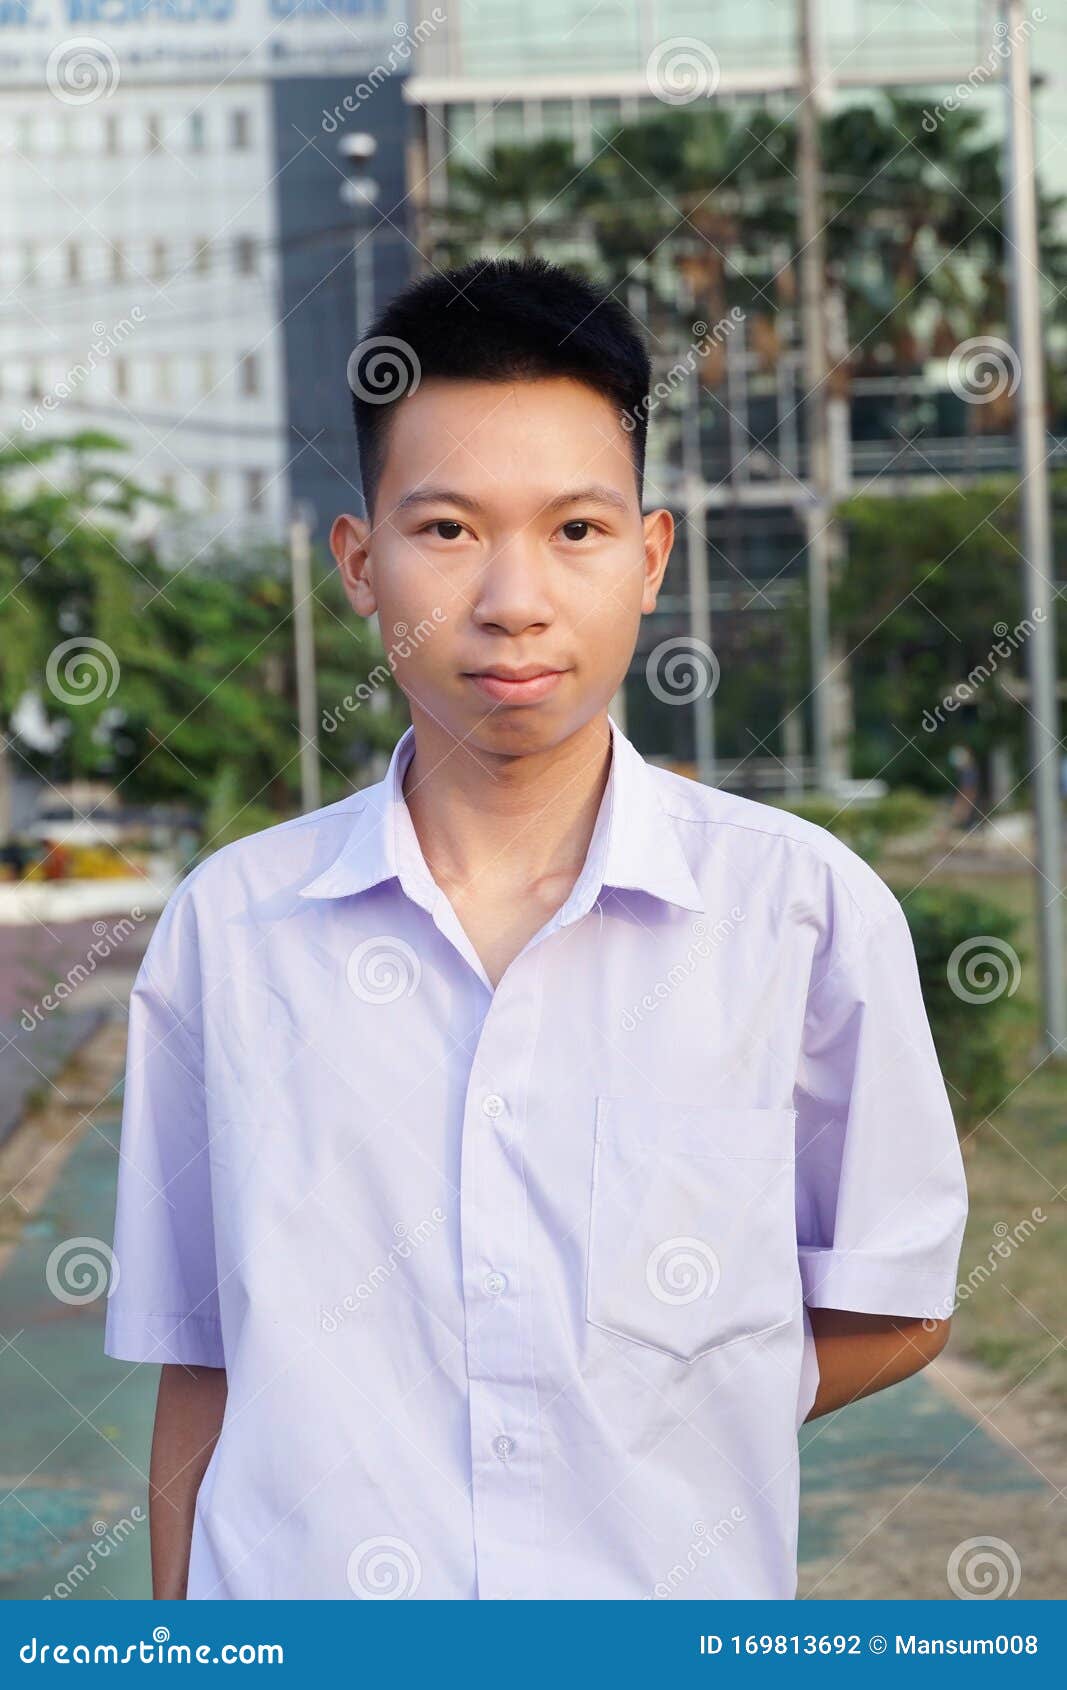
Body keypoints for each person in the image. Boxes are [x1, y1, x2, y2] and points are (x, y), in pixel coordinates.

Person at [104, 257, 968, 1601]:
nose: (515, 597)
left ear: (651, 557)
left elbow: (900, 1297)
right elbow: (203, 1356)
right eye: (446, 529)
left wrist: (651, 1402)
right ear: (358, 562)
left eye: (576, 529)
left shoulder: (798, 912)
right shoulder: (232, 928)